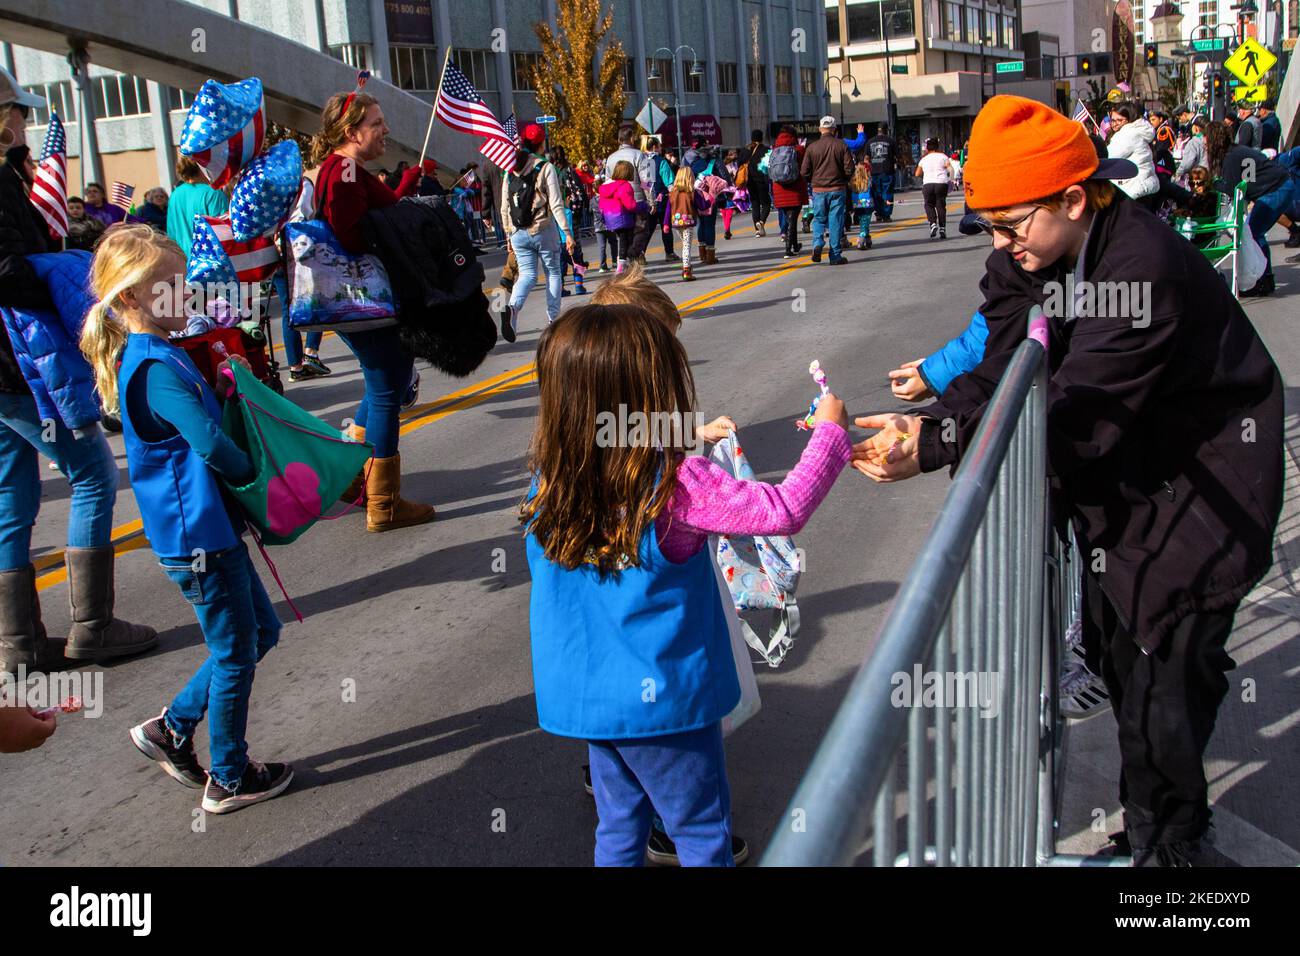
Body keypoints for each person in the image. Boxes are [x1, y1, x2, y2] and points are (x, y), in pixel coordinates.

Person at [856, 95, 1283, 867]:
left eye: (1011, 225)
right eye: (990, 227)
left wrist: (939, 442)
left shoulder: (1140, 268)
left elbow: (1075, 405)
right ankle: (1153, 815)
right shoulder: (1040, 256)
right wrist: (928, 422)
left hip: (1203, 491)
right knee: (1126, 661)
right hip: (1129, 488)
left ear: (1074, 199)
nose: (1001, 245)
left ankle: (1174, 852)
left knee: (1168, 672)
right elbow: (1002, 365)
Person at [522, 302, 850, 866]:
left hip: (593, 703)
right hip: (666, 705)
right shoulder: (676, 485)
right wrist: (828, 435)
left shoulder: (548, 484)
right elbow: (785, 507)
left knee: (618, 825)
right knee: (701, 832)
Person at [77, 226, 291, 812]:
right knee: (233, 652)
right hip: (198, 535)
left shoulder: (163, 355)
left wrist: (224, 386)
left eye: (183, 283)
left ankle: (170, 729)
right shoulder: (154, 365)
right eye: (166, 287)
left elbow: (199, 421)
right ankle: (228, 775)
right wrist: (261, 473)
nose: (183, 296)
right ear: (128, 299)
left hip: (208, 529)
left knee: (259, 634)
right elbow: (210, 445)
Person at [1, 133, 158, 673]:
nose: (22, 127)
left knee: (10, 496)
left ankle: (19, 644)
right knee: (93, 473)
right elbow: (4, 270)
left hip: (7, 369)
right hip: (15, 365)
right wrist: (52, 266)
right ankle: (93, 626)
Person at [309, 86, 435, 532]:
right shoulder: (342, 170)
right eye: (377, 124)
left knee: (390, 381)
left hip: (353, 303)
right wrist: (388, 236)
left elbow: (380, 206)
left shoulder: (345, 169)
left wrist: (408, 182)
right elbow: (348, 233)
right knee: (386, 388)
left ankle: (351, 478)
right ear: (350, 131)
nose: (386, 130)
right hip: (359, 300)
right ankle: (384, 502)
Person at [502, 123, 577, 341]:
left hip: (518, 231)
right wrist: (567, 232)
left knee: (526, 275)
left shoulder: (510, 169)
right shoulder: (545, 167)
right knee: (553, 272)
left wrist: (508, 233)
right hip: (543, 228)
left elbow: (505, 206)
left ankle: (513, 308)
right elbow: (556, 203)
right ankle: (554, 320)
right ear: (542, 143)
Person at [1204, 120, 1296, 298]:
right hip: (1277, 186)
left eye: (1206, 139)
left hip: (1277, 188)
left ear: (1214, 139)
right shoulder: (1236, 152)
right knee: (1255, 231)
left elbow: (1231, 187)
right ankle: (1263, 278)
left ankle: (1263, 280)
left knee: (1255, 232)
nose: (1203, 142)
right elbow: (1244, 183)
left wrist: (1212, 184)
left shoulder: (1232, 156)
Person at [801, 116, 853, 266]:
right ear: (834, 130)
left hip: (818, 189)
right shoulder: (841, 145)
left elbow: (804, 172)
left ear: (820, 129)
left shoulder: (812, 148)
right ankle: (835, 255)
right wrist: (843, 178)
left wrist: (813, 179)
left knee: (818, 218)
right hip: (837, 188)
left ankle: (817, 242)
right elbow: (849, 169)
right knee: (835, 221)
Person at [604, 125, 654, 260]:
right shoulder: (639, 155)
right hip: (637, 201)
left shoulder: (610, 158)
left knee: (624, 236)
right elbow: (646, 181)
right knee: (641, 232)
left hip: (619, 204)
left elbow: (608, 182)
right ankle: (633, 257)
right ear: (631, 138)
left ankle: (624, 262)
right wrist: (651, 201)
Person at [166, 155, 229, 258]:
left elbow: (171, 231)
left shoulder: (175, 194)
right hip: (208, 264)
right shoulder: (213, 193)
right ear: (204, 169)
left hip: (180, 262)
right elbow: (224, 233)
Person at [1105, 102, 1159, 209]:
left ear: (1130, 118)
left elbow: (1108, 156)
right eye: (1112, 120)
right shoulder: (1136, 131)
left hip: (1135, 187)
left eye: (1119, 120)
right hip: (1143, 185)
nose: (1114, 124)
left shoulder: (1128, 134)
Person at [770, 126, 807, 260]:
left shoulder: (774, 150)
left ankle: (794, 246)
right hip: (795, 188)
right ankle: (788, 249)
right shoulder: (799, 150)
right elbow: (805, 167)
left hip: (779, 189)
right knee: (793, 219)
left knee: (788, 218)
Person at [667, 165, 704, 280]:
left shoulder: (672, 193)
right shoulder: (692, 192)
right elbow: (702, 205)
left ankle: (687, 267)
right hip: (688, 223)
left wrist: (665, 224)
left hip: (676, 223)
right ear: (690, 178)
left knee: (684, 244)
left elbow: (668, 209)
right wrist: (711, 199)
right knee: (686, 246)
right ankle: (687, 270)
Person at [916, 137, 952, 239]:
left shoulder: (924, 159)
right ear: (937, 146)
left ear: (927, 148)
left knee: (929, 204)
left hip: (928, 184)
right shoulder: (943, 157)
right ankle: (942, 228)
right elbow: (950, 170)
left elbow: (917, 173)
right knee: (940, 205)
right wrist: (951, 180)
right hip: (941, 183)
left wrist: (925, 175)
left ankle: (932, 224)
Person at [744, 129, 772, 236]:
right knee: (766, 203)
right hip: (761, 180)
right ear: (761, 138)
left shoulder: (746, 149)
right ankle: (761, 221)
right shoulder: (766, 150)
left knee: (755, 204)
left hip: (749, 181)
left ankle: (757, 229)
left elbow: (740, 162)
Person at [866, 124, 896, 221]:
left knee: (876, 193)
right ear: (886, 130)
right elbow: (897, 156)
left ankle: (879, 213)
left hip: (874, 171)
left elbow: (866, 158)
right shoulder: (890, 141)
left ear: (878, 130)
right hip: (887, 171)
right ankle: (886, 214)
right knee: (888, 193)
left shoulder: (870, 142)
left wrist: (867, 170)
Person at [849, 158, 874, 250]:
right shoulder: (868, 181)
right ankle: (861, 239)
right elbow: (874, 192)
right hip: (868, 205)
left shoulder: (853, 182)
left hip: (857, 205)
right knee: (865, 222)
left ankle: (867, 238)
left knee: (863, 222)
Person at [1174, 114, 1207, 181]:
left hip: (1198, 176)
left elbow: (1187, 163)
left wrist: (1178, 173)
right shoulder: (1211, 139)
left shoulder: (1193, 142)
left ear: (1196, 127)